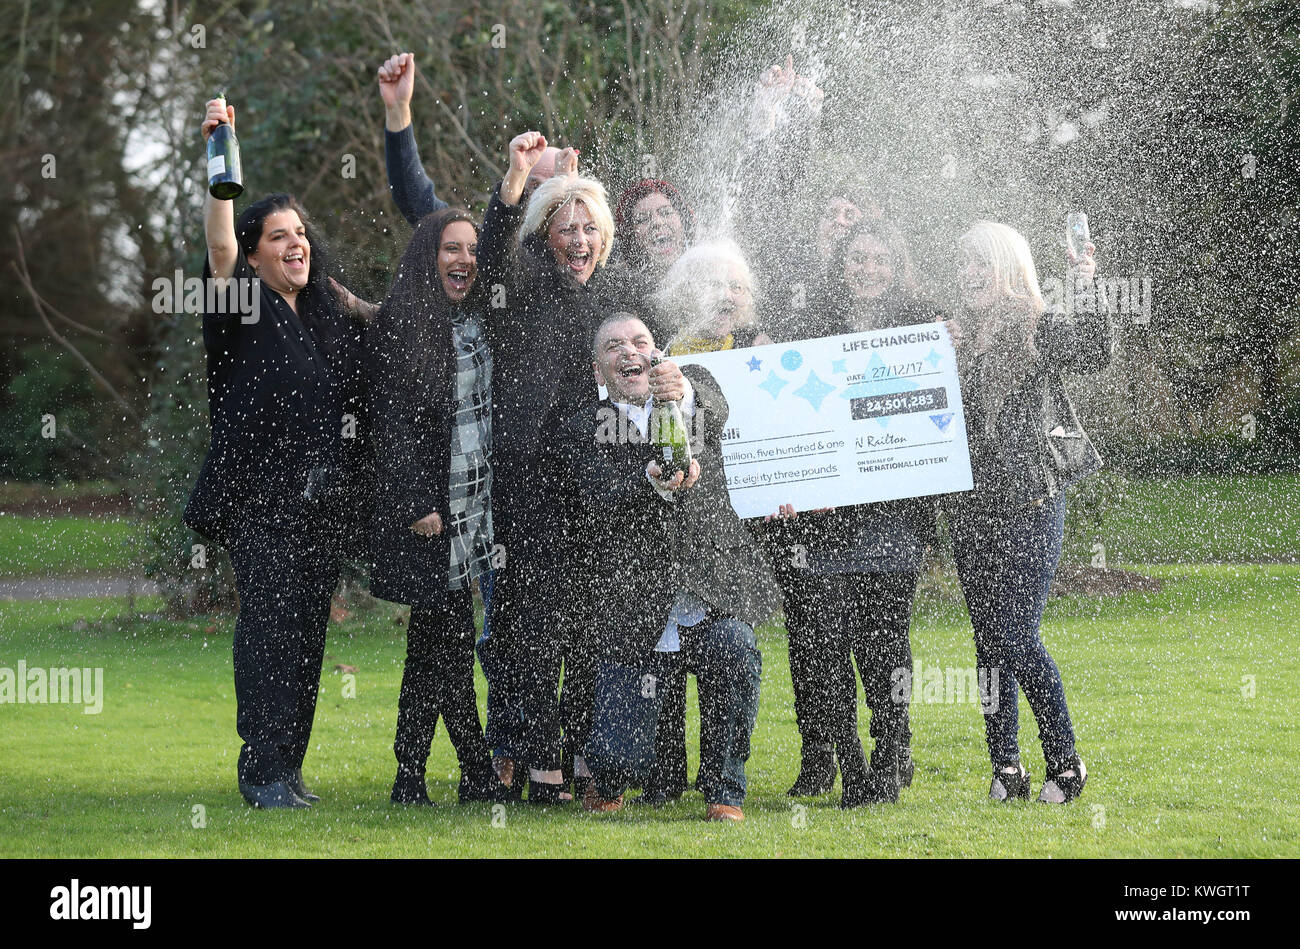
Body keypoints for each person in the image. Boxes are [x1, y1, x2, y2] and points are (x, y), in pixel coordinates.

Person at [186, 98, 373, 808]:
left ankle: (289, 767)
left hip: (319, 505)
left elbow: (387, 325)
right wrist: (219, 158)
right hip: (258, 503)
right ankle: (260, 769)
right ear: (256, 249)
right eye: (280, 236)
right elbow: (219, 246)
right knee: (268, 628)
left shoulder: (324, 313)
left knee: (306, 637)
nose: (296, 242)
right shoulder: (240, 304)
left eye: (302, 233)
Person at [542, 311, 778, 820]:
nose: (629, 353)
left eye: (640, 342)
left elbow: (716, 408)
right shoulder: (583, 427)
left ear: (658, 354)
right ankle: (608, 780)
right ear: (597, 368)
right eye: (614, 347)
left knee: (735, 652)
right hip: (631, 596)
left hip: (706, 587)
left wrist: (683, 389)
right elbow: (594, 496)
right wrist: (646, 480)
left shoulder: (693, 392)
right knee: (619, 755)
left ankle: (724, 792)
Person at [767, 218, 941, 805]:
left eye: (880, 258)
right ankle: (852, 768)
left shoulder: (922, 327)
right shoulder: (806, 325)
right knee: (825, 643)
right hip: (824, 515)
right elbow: (785, 411)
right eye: (857, 258)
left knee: (886, 642)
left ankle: (892, 753)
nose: (867, 269)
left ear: (896, 265)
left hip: (893, 514)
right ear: (840, 265)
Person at [472, 131, 623, 803]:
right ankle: (539, 762)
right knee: (531, 626)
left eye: (591, 227)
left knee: (589, 624)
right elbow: (496, 251)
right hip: (528, 488)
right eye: (568, 227)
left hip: (595, 489)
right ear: (545, 233)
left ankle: (588, 753)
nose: (581, 239)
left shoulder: (615, 297)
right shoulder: (525, 279)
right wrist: (513, 180)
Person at [943, 219, 1111, 803]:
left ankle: (1066, 761)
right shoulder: (954, 336)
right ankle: (1006, 768)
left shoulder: (1035, 325)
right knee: (989, 641)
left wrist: (1085, 284)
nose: (970, 274)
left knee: (1016, 635)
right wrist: (936, 349)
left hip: (1031, 501)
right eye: (963, 264)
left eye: (982, 263)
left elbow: (1095, 350)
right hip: (969, 509)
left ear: (1009, 269)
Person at [365, 207, 507, 805]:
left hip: (476, 508)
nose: (465, 260)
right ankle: (466, 770)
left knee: (435, 648)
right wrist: (416, 500)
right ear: (429, 256)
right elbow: (387, 426)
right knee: (443, 644)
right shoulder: (404, 324)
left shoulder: (479, 322)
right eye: (451, 249)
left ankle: (414, 777)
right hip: (433, 514)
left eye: (472, 250)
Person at [377, 52, 576, 227]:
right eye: (534, 185)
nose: (545, 194)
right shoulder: (486, 251)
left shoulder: (594, 250)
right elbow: (418, 203)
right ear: (517, 192)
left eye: (554, 183)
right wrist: (398, 110)